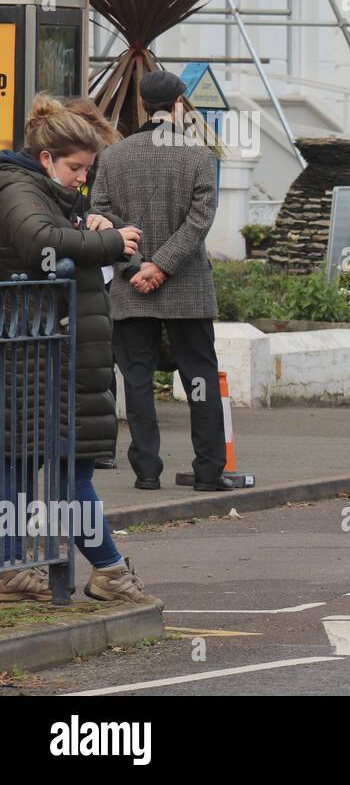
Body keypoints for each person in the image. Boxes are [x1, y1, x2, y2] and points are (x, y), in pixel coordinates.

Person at [0, 94, 158, 603]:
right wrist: (111, 241)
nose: (81, 179)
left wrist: (86, 223)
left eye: (86, 169)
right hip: (35, 353)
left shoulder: (44, 189)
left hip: (55, 351)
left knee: (35, 465)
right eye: (75, 167)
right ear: (46, 158)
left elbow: (54, 238)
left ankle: (19, 565)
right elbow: (39, 243)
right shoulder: (15, 185)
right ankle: (102, 569)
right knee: (51, 467)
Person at [90, 70, 232, 492]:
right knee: (199, 376)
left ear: (142, 105)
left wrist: (137, 268)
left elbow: (100, 216)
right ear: (178, 105)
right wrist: (165, 265)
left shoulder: (114, 156)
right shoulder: (197, 155)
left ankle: (147, 472)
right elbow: (199, 221)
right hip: (187, 287)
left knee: (136, 377)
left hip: (131, 289)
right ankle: (208, 471)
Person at [67, 99, 123, 471]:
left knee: (92, 357)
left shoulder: (96, 161)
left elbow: (108, 208)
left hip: (92, 261)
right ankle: (100, 446)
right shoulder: (109, 154)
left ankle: (96, 445)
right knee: (100, 357)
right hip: (99, 267)